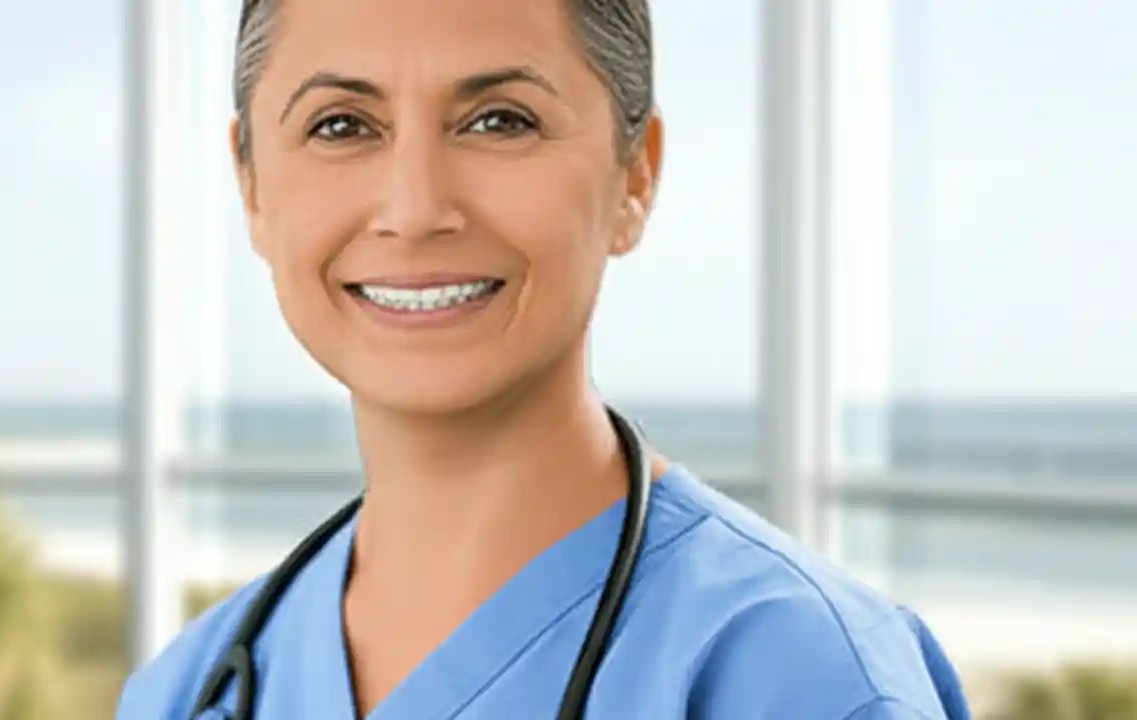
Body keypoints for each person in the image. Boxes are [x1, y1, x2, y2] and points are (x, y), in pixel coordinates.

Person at [116, 0, 972, 717]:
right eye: (341, 126)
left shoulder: (804, 677)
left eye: (500, 121)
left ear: (635, 175)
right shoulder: (187, 690)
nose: (414, 210)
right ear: (253, 186)